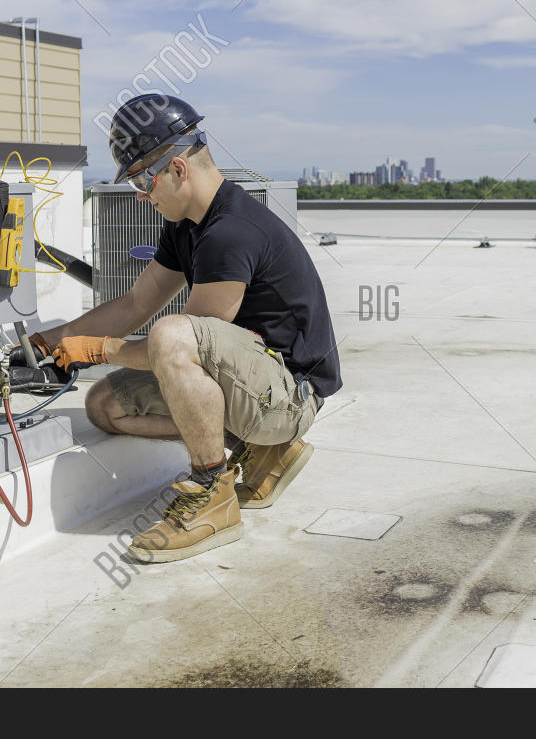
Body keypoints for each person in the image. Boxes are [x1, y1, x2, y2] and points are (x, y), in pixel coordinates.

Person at [31, 93, 341, 563]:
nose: (140, 194)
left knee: (174, 334)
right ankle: (264, 452)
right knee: (105, 405)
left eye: (141, 179)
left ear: (177, 169)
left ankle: (212, 492)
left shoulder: (230, 232)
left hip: (287, 397)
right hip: (253, 386)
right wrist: (53, 342)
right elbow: (137, 303)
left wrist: (98, 350)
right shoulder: (186, 225)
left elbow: (183, 344)